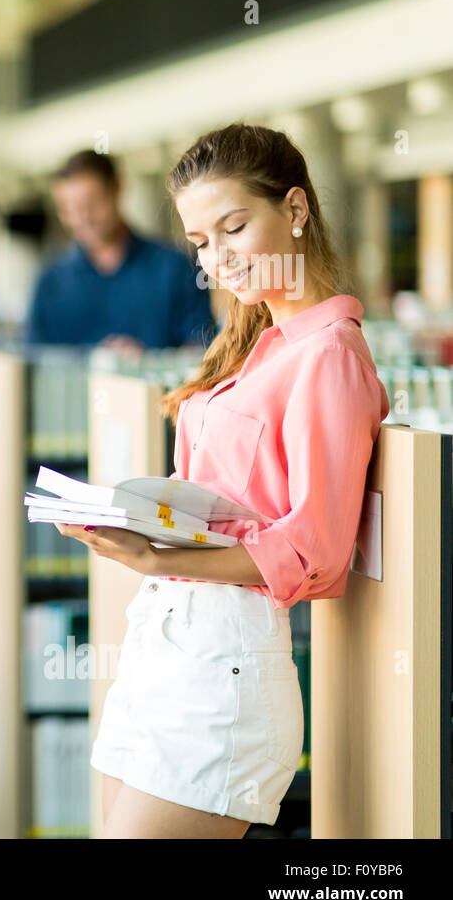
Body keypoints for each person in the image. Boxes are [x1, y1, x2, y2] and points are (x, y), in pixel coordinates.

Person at [55, 123, 389, 837]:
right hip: (162, 648)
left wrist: (158, 554)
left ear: (295, 210)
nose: (217, 258)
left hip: (223, 672)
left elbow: (315, 553)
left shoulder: (328, 354)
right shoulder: (254, 345)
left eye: (233, 227)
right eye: (201, 243)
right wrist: (146, 521)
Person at [26, 149, 217, 353]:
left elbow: (202, 352)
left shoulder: (176, 268)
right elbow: (35, 360)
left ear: (117, 189)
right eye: (69, 209)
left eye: (91, 203)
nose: (83, 218)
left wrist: (147, 362)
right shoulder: (51, 283)